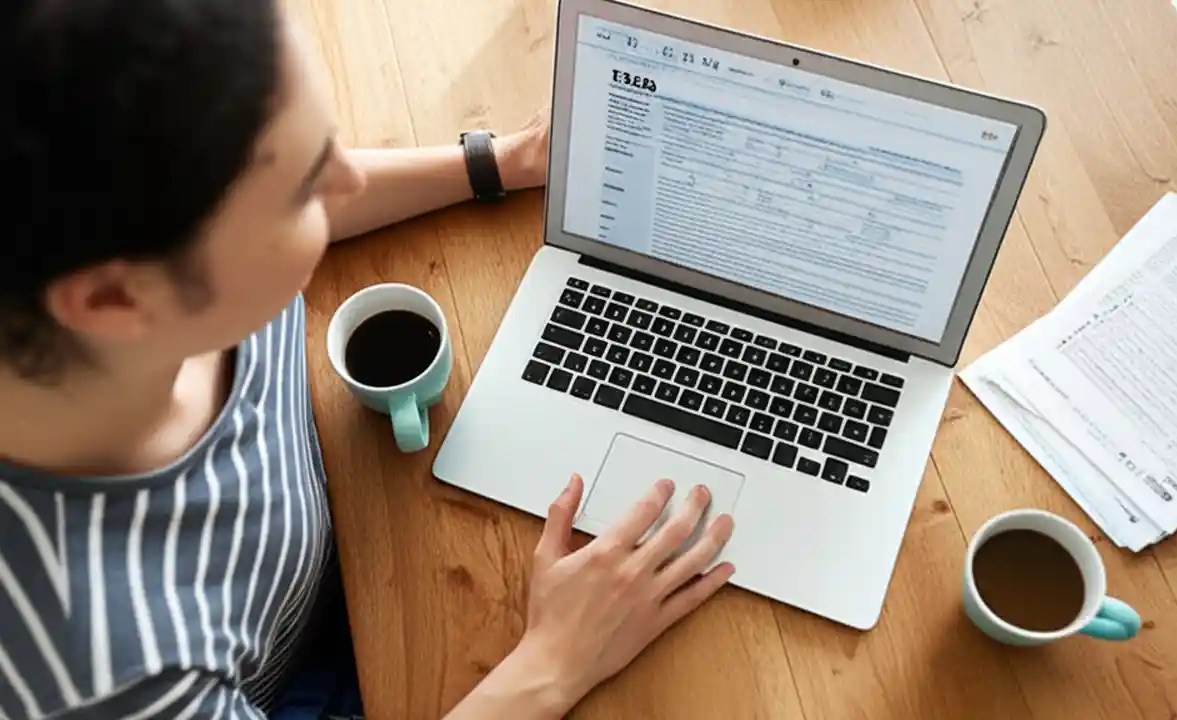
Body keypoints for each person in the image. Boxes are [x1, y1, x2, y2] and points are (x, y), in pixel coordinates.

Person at [0, 1, 736, 718]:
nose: (346, 183)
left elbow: (255, 185)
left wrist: (500, 162)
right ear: (114, 301)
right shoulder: (104, 677)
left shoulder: (102, 249)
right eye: (301, 191)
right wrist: (551, 665)